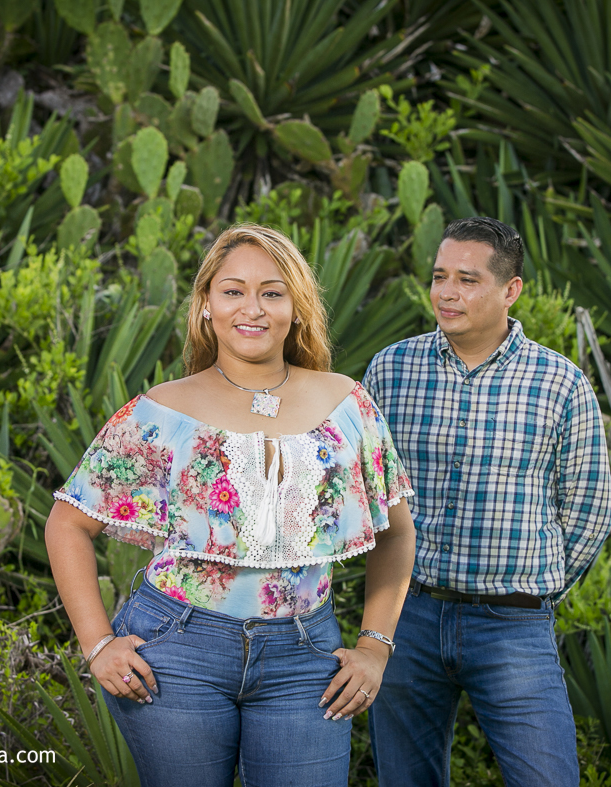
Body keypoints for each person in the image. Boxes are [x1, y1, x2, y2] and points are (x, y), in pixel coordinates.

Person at [45, 224, 416, 787]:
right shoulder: (160, 411)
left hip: (304, 655)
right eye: (233, 290)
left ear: (296, 307)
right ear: (205, 307)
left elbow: (396, 532)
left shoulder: (346, 403)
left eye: (272, 292)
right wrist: (97, 645)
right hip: (175, 651)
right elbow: (68, 522)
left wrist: (374, 646)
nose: (254, 308)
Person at [364, 217, 611, 787]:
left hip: (513, 626)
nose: (447, 293)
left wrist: (535, 591)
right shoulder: (391, 370)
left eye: (467, 280)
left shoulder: (561, 383)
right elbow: (366, 492)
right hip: (408, 620)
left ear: (511, 289)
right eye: (439, 276)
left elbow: (589, 509)